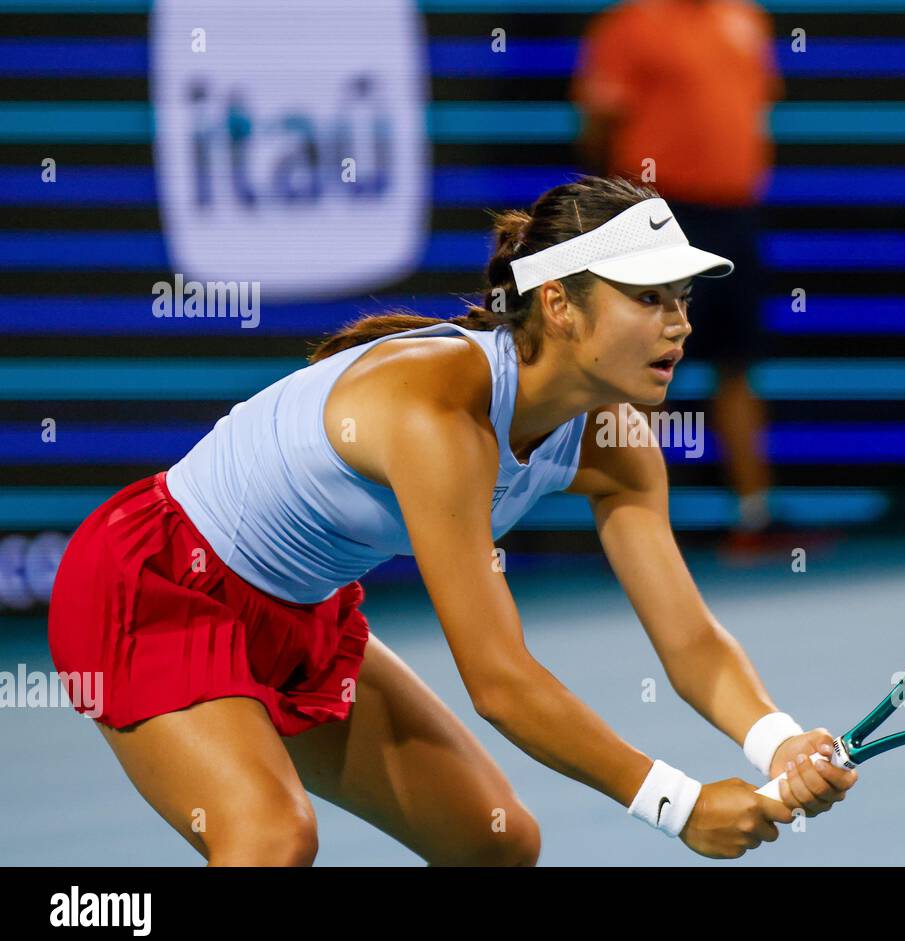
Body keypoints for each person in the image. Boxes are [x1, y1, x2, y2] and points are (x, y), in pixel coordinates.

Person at [47, 176, 856, 866]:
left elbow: (691, 642)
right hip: (151, 584)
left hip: (303, 613)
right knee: (269, 839)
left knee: (495, 844)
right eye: (647, 298)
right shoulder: (438, 411)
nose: (679, 323)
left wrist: (774, 741)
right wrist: (677, 805)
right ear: (559, 305)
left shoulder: (618, 446)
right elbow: (500, 683)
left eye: (680, 298)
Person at [572, 0, 784, 542]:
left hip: (736, 214)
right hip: (660, 213)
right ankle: (627, 520)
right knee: (636, 365)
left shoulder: (745, 19)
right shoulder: (629, 26)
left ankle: (754, 518)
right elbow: (598, 123)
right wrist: (617, 212)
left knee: (737, 363)